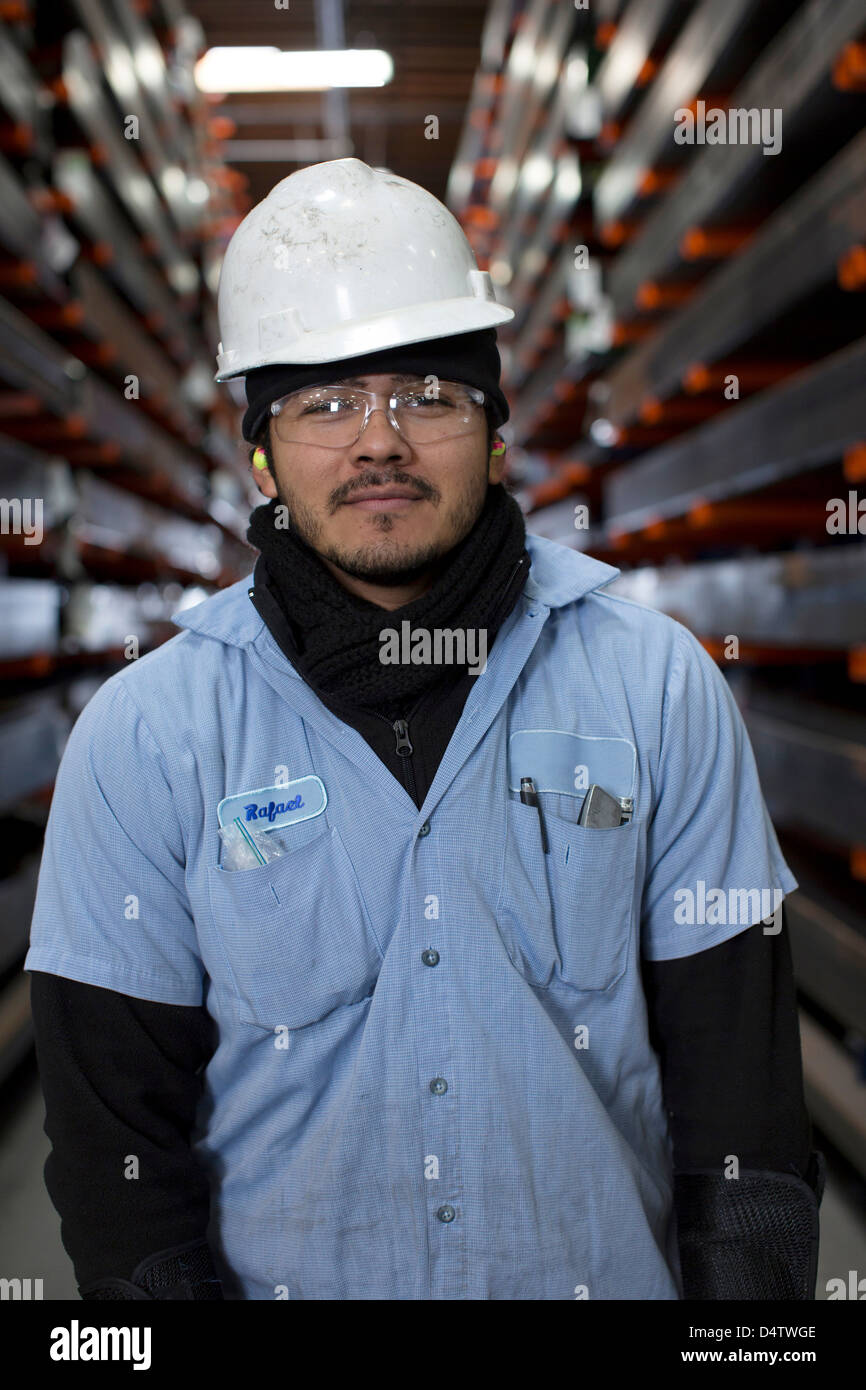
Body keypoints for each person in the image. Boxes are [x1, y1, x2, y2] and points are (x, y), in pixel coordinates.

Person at [27, 158, 823, 1301]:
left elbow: (739, 1099)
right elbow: (118, 1164)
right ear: (261, 448)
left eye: (428, 396)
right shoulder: (149, 735)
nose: (378, 442)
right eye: (324, 403)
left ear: (496, 430)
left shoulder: (651, 685)